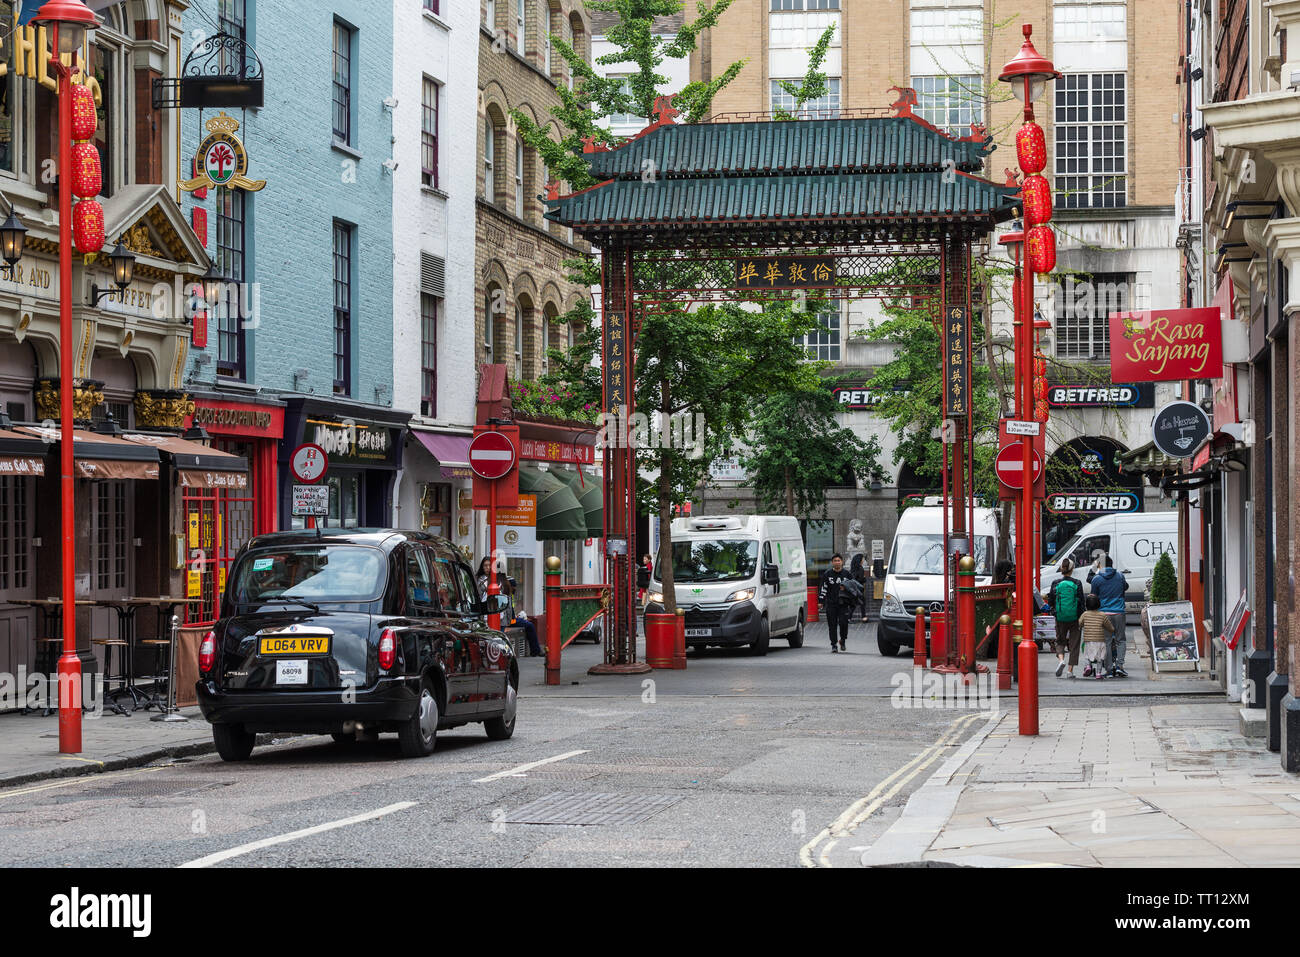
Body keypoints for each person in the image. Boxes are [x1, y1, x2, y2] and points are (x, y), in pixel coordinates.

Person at [477, 557, 542, 657]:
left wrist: (509, 620)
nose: (488, 568)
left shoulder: (500, 580)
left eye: (490, 565)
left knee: (500, 640)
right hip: (486, 616)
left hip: (502, 616)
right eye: (485, 565)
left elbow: (507, 600)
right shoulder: (479, 581)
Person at [1090, 556, 1129, 677]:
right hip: (1118, 612)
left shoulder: (1096, 579)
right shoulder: (1120, 576)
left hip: (1103, 614)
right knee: (1120, 640)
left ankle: (1108, 669)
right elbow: (1125, 588)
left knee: (1106, 641)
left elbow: (1093, 598)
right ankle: (1119, 666)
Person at [1047, 558, 1083, 679]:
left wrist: (1054, 612)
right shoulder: (1077, 583)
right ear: (1072, 569)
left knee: (1060, 640)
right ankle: (1070, 671)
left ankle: (1061, 660)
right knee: (1074, 644)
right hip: (1075, 617)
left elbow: (1051, 600)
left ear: (1062, 569)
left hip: (1060, 617)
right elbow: (1081, 602)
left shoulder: (1056, 583)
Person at [819, 553, 857, 653]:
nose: (837, 562)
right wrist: (821, 601)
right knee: (832, 625)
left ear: (842, 562)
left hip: (843, 604)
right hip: (831, 604)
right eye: (835, 561)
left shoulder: (847, 574)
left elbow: (853, 587)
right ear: (832, 563)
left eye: (838, 560)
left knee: (844, 623)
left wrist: (846, 588)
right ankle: (834, 644)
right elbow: (823, 588)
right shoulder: (827, 574)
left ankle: (843, 640)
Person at [1079, 593, 1114, 680]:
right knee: (1099, 658)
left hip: (1088, 639)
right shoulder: (1102, 615)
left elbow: (1080, 623)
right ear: (1099, 604)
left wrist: (1081, 626)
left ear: (1086, 605)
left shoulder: (1085, 614)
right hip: (1100, 640)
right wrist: (1112, 630)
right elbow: (1110, 627)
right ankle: (1098, 673)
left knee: (1087, 655)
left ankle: (1088, 666)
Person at [848, 553, 869, 622]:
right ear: (859, 559)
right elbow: (857, 579)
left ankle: (862, 617)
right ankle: (863, 617)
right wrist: (864, 579)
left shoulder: (855, 568)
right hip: (857, 589)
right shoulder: (859, 568)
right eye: (862, 558)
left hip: (856, 589)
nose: (863, 560)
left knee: (857, 603)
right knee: (859, 603)